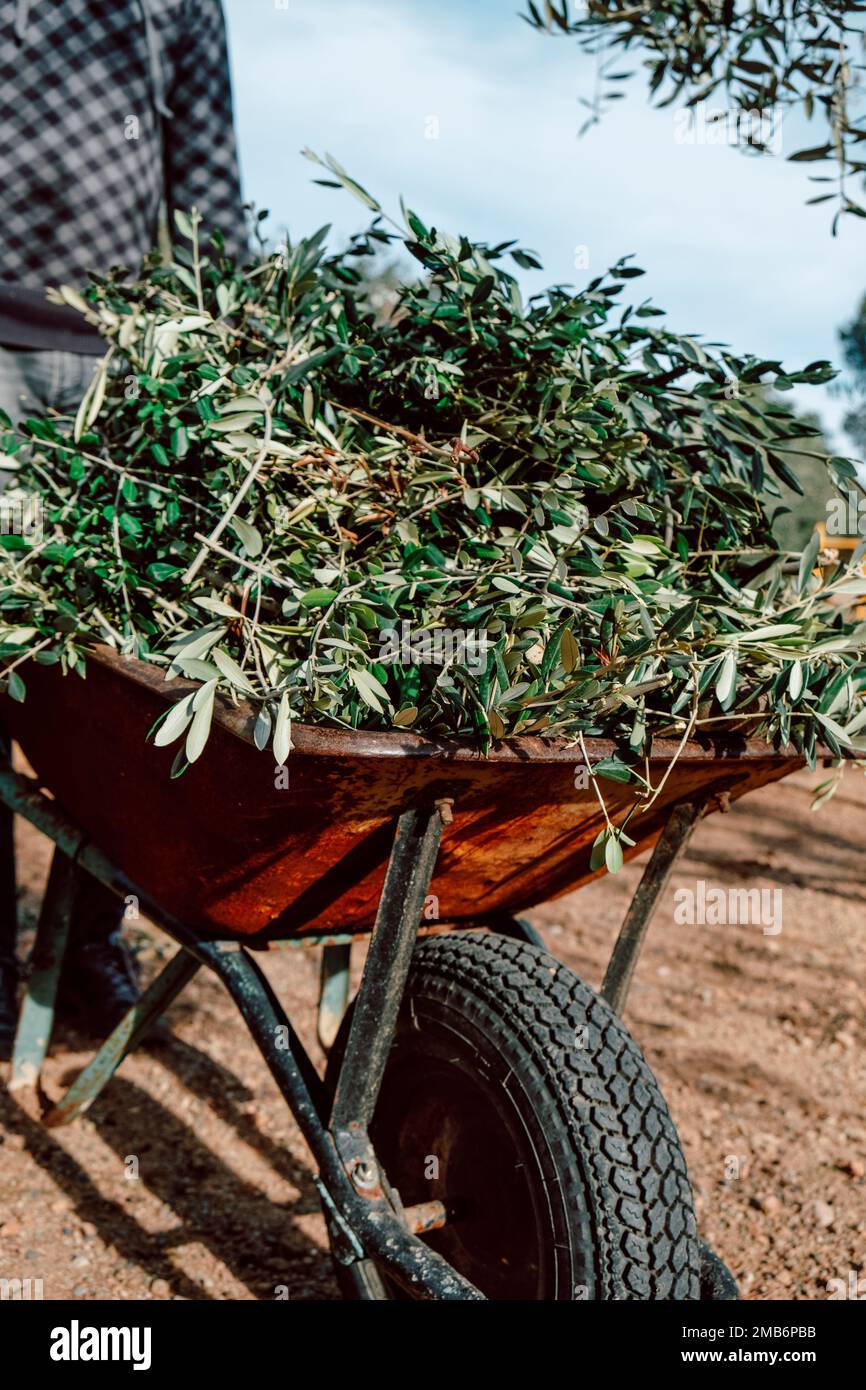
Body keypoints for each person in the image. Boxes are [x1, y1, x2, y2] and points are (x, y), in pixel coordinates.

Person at [0, 0, 248, 1058]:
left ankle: (86, 943)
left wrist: (236, 357)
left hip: (118, 370)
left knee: (113, 678)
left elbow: (207, 175)